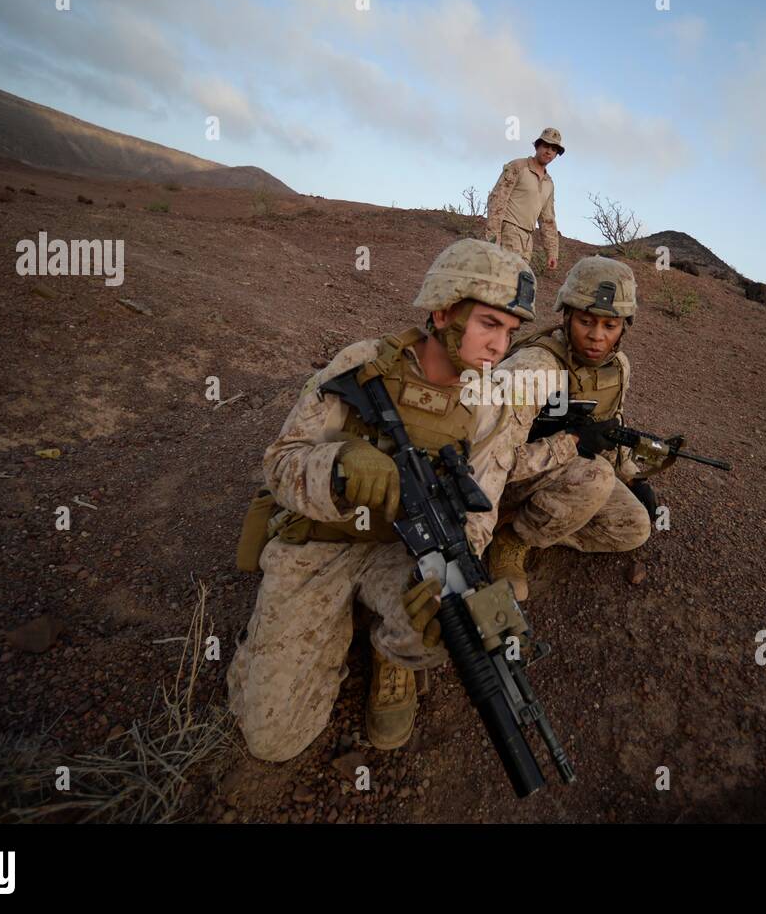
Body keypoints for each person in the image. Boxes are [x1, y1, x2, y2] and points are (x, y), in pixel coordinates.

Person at [227, 238, 536, 759]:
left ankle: (391, 654)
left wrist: (454, 583)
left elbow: (481, 508)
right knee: (272, 741)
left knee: (445, 621)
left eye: (509, 332)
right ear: (443, 312)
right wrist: (340, 466)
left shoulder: (487, 403)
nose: (498, 347)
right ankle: (267, 648)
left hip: (403, 551)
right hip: (321, 542)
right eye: (488, 324)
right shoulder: (364, 365)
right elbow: (280, 463)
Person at [485, 256, 652, 602]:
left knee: (634, 526)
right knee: (596, 476)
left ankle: (529, 520)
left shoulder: (618, 367)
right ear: (567, 316)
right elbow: (488, 461)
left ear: (624, 327)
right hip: (501, 481)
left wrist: (633, 476)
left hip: (556, 476)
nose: (596, 337)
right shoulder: (534, 368)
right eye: (586, 322)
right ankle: (511, 539)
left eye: (610, 326)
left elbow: (613, 420)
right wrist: (572, 442)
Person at [484, 127, 562, 271]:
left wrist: (552, 253)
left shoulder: (549, 183)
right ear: (537, 146)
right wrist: (493, 238)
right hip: (508, 231)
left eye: (554, 149)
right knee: (503, 280)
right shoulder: (518, 167)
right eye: (546, 146)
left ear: (556, 154)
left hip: (527, 241)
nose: (549, 151)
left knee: (518, 286)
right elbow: (497, 200)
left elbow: (547, 220)